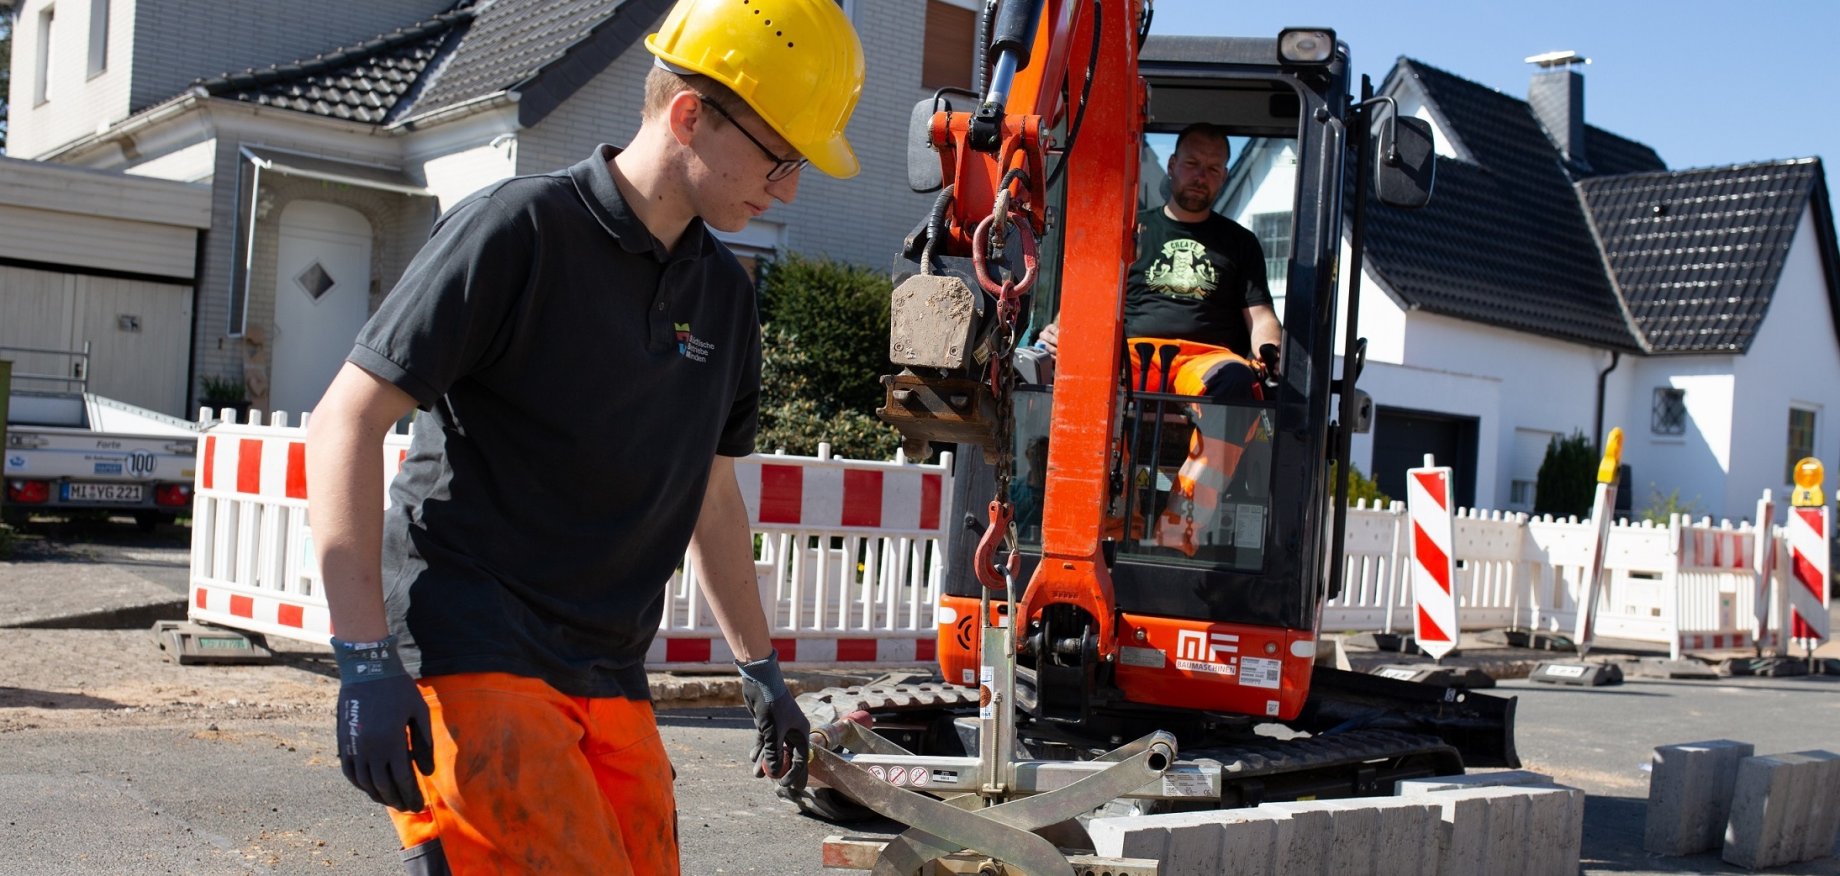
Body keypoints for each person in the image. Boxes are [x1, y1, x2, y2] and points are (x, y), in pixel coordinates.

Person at [302, 1, 864, 872]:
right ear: (690, 116)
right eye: (779, 155)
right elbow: (346, 417)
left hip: (606, 671)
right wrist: (365, 659)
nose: (788, 187)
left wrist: (762, 675)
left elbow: (713, 499)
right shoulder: (519, 229)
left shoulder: (726, 296)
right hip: (472, 647)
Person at [1035, 123, 1281, 554]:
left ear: (1223, 176)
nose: (1201, 175)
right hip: (1128, 357)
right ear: (1172, 166)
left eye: (1213, 168)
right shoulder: (1131, 231)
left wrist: (1269, 352)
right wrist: (1061, 328)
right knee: (1085, 373)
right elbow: (1088, 293)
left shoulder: (1240, 244)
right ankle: (1111, 523)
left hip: (1203, 361)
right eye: (1191, 164)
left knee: (1240, 385)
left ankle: (1181, 523)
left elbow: (1261, 315)